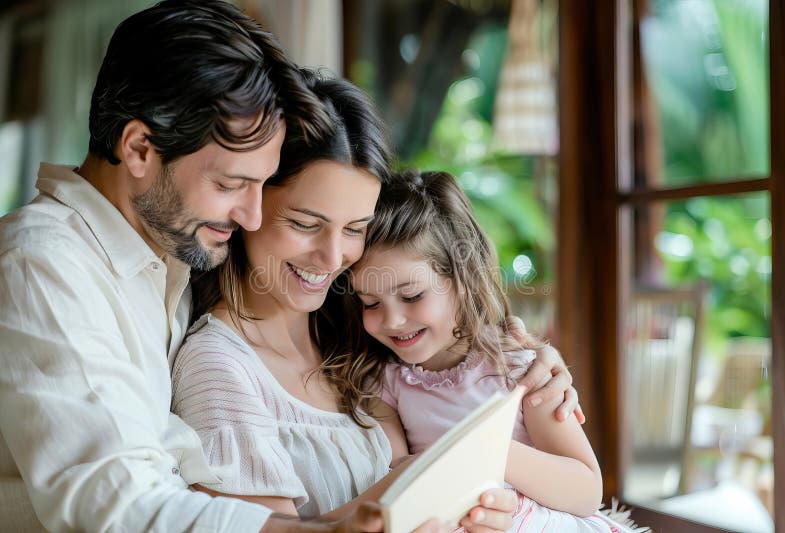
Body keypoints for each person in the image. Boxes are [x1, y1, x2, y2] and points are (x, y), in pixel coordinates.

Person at [0, 2, 398, 531]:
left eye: (262, 184)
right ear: (140, 148)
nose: (252, 215)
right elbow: (115, 498)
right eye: (231, 184)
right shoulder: (43, 263)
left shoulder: (167, 260)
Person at [172, 73, 580, 532]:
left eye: (354, 228)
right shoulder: (219, 369)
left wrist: (537, 364)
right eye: (306, 223)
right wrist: (415, 480)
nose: (333, 258)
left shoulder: (356, 325)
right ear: (250, 202)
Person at [343, 170, 631, 532]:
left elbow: (586, 490)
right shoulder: (387, 381)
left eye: (412, 296)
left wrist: (487, 452)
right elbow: (398, 475)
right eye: (370, 303)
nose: (392, 320)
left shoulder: (521, 372)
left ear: (462, 280)